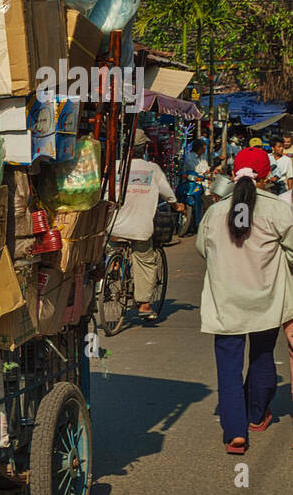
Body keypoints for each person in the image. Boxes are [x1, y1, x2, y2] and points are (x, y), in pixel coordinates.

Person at [196, 147, 293, 454]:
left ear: (233, 173)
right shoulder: (278, 209)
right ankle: (256, 416)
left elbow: (203, 249)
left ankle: (235, 433)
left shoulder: (215, 211)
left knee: (228, 367)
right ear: (265, 177)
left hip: (225, 301)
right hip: (265, 300)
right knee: (263, 355)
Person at [111, 129, 185, 321]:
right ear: (143, 148)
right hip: (139, 228)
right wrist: (176, 205)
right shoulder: (152, 169)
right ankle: (144, 304)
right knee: (145, 261)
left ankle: (114, 264)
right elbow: (168, 194)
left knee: (112, 245)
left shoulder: (116, 166)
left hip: (114, 227)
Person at [180, 139, 210, 234]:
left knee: (208, 202)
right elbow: (194, 169)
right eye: (204, 146)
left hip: (204, 184)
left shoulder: (204, 157)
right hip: (191, 183)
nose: (205, 148)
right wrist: (202, 174)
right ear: (199, 148)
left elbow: (206, 169)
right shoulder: (189, 156)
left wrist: (208, 173)